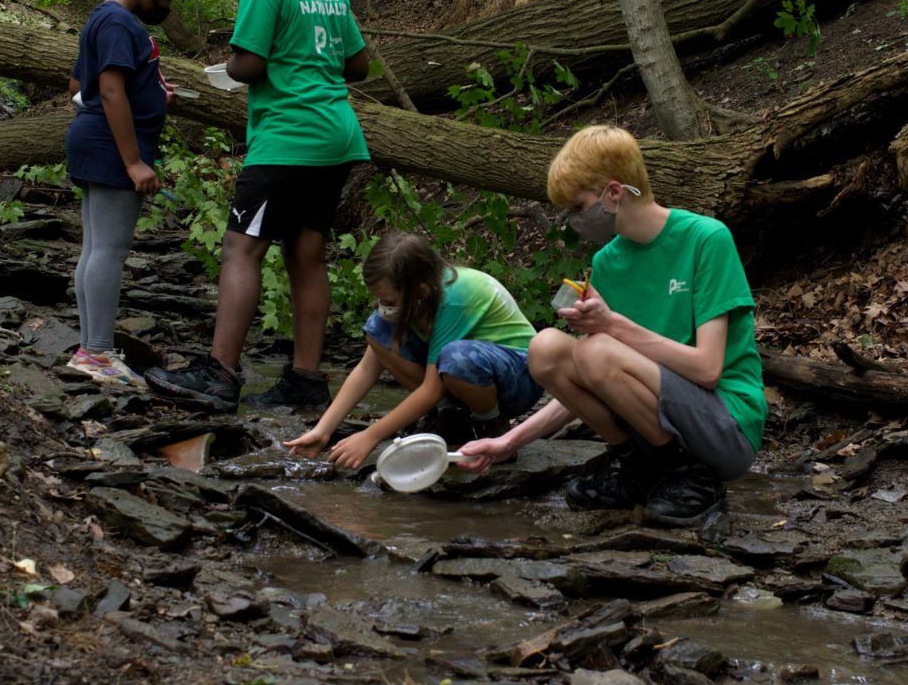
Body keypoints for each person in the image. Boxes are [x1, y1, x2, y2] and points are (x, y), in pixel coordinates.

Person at [458, 125, 766, 526]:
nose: (572, 221)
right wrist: (510, 440)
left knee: (596, 347)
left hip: (725, 426)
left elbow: (707, 370)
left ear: (614, 193)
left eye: (577, 207)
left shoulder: (706, 239)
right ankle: (638, 468)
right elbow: (589, 376)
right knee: (547, 349)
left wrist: (613, 325)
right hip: (657, 418)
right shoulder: (606, 262)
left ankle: (689, 477)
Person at [145, 0, 371, 412]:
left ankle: (220, 373)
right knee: (306, 256)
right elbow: (357, 65)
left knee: (241, 248)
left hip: (288, 135)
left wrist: (234, 63)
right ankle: (306, 380)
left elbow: (247, 66)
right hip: (337, 135)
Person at [284, 231, 544, 468]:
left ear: (419, 290)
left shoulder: (454, 298)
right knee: (378, 328)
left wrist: (370, 436)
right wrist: (323, 430)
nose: (383, 305)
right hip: (466, 371)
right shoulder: (419, 296)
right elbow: (366, 369)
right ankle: (449, 416)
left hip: (520, 377)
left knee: (456, 359)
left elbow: (431, 389)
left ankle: (491, 427)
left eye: (389, 300)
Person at [63, 0, 187, 388]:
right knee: (110, 251)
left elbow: (81, 83)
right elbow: (110, 91)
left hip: (95, 143)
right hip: (110, 149)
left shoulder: (102, 17)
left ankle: (89, 348)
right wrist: (133, 162)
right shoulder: (118, 22)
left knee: (95, 248)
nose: (169, 8)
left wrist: (151, 85)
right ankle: (96, 353)